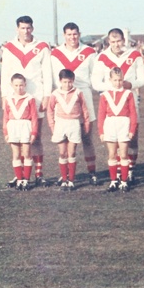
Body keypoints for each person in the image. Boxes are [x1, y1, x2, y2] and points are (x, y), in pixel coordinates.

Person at [0, 16, 52, 185]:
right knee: (16, 138)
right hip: (14, 98)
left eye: (28, 28)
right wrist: (4, 96)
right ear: (17, 29)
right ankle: (21, 175)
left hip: (35, 96)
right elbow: (5, 73)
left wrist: (46, 95)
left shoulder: (42, 46)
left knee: (34, 138)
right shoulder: (9, 47)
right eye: (22, 28)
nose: (26, 31)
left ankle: (38, 174)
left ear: (33, 28)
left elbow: (47, 72)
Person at [92, 28, 144, 183]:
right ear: (109, 41)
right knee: (114, 139)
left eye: (119, 41)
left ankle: (130, 169)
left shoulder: (134, 54)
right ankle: (117, 171)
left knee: (132, 136)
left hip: (129, 98)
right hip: (110, 101)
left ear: (124, 40)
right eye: (113, 41)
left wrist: (130, 84)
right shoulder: (102, 57)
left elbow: (142, 79)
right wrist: (113, 88)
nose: (116, 44)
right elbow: (96, 82)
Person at [50, 22, 99, 184]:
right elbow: (53, 78)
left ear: (79, 34)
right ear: (64, 35)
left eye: (75, 34)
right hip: (63, 100)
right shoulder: (55, 53)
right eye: (69, 34)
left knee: (87, 137)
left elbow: (95, 76)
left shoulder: (89, 52)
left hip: (83, 95)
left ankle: (92, 172)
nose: (72, 37)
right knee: (64, 140)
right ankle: (67, 174)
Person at [46, 69, 91, 191]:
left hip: (74, 124)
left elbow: (84, 109)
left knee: (71, 153)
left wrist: (86, 123)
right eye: (65, 82)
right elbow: (49, 110)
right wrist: (52, 126)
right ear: (60, 81)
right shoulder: (55, 94)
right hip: (60, 124)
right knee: (62, 153)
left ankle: (71, 180)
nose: (67, 85)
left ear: (73, 81)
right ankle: (64, 179)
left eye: (70, 82)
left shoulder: (78, 92)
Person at [97, 67, 138, 192]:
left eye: (120, 80)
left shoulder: (128, 94)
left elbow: (133, 113)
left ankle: (124, 181)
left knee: (124, 154)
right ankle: (114, 180)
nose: (118, 82)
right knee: (112, 154)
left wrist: (132, 130)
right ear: (110, 80)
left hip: (123, 123)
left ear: (123, 79)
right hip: (110, 124)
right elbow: (101, 114)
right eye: (115, 80)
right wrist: (101, 131)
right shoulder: (105, 95)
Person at [2, 73, 38, 190]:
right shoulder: (8, 99)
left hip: (25, 126)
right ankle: (19, 179)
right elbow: (6, 117)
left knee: (27, 153)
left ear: (25, 85)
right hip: (12, 126)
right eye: (16, 85)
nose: (19, 88)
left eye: (21, 85)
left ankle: (26, 180)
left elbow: (34, 116)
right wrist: (6, 132)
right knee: (16, 154)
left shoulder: (30, 98)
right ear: (12, 85)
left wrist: (34, 133)